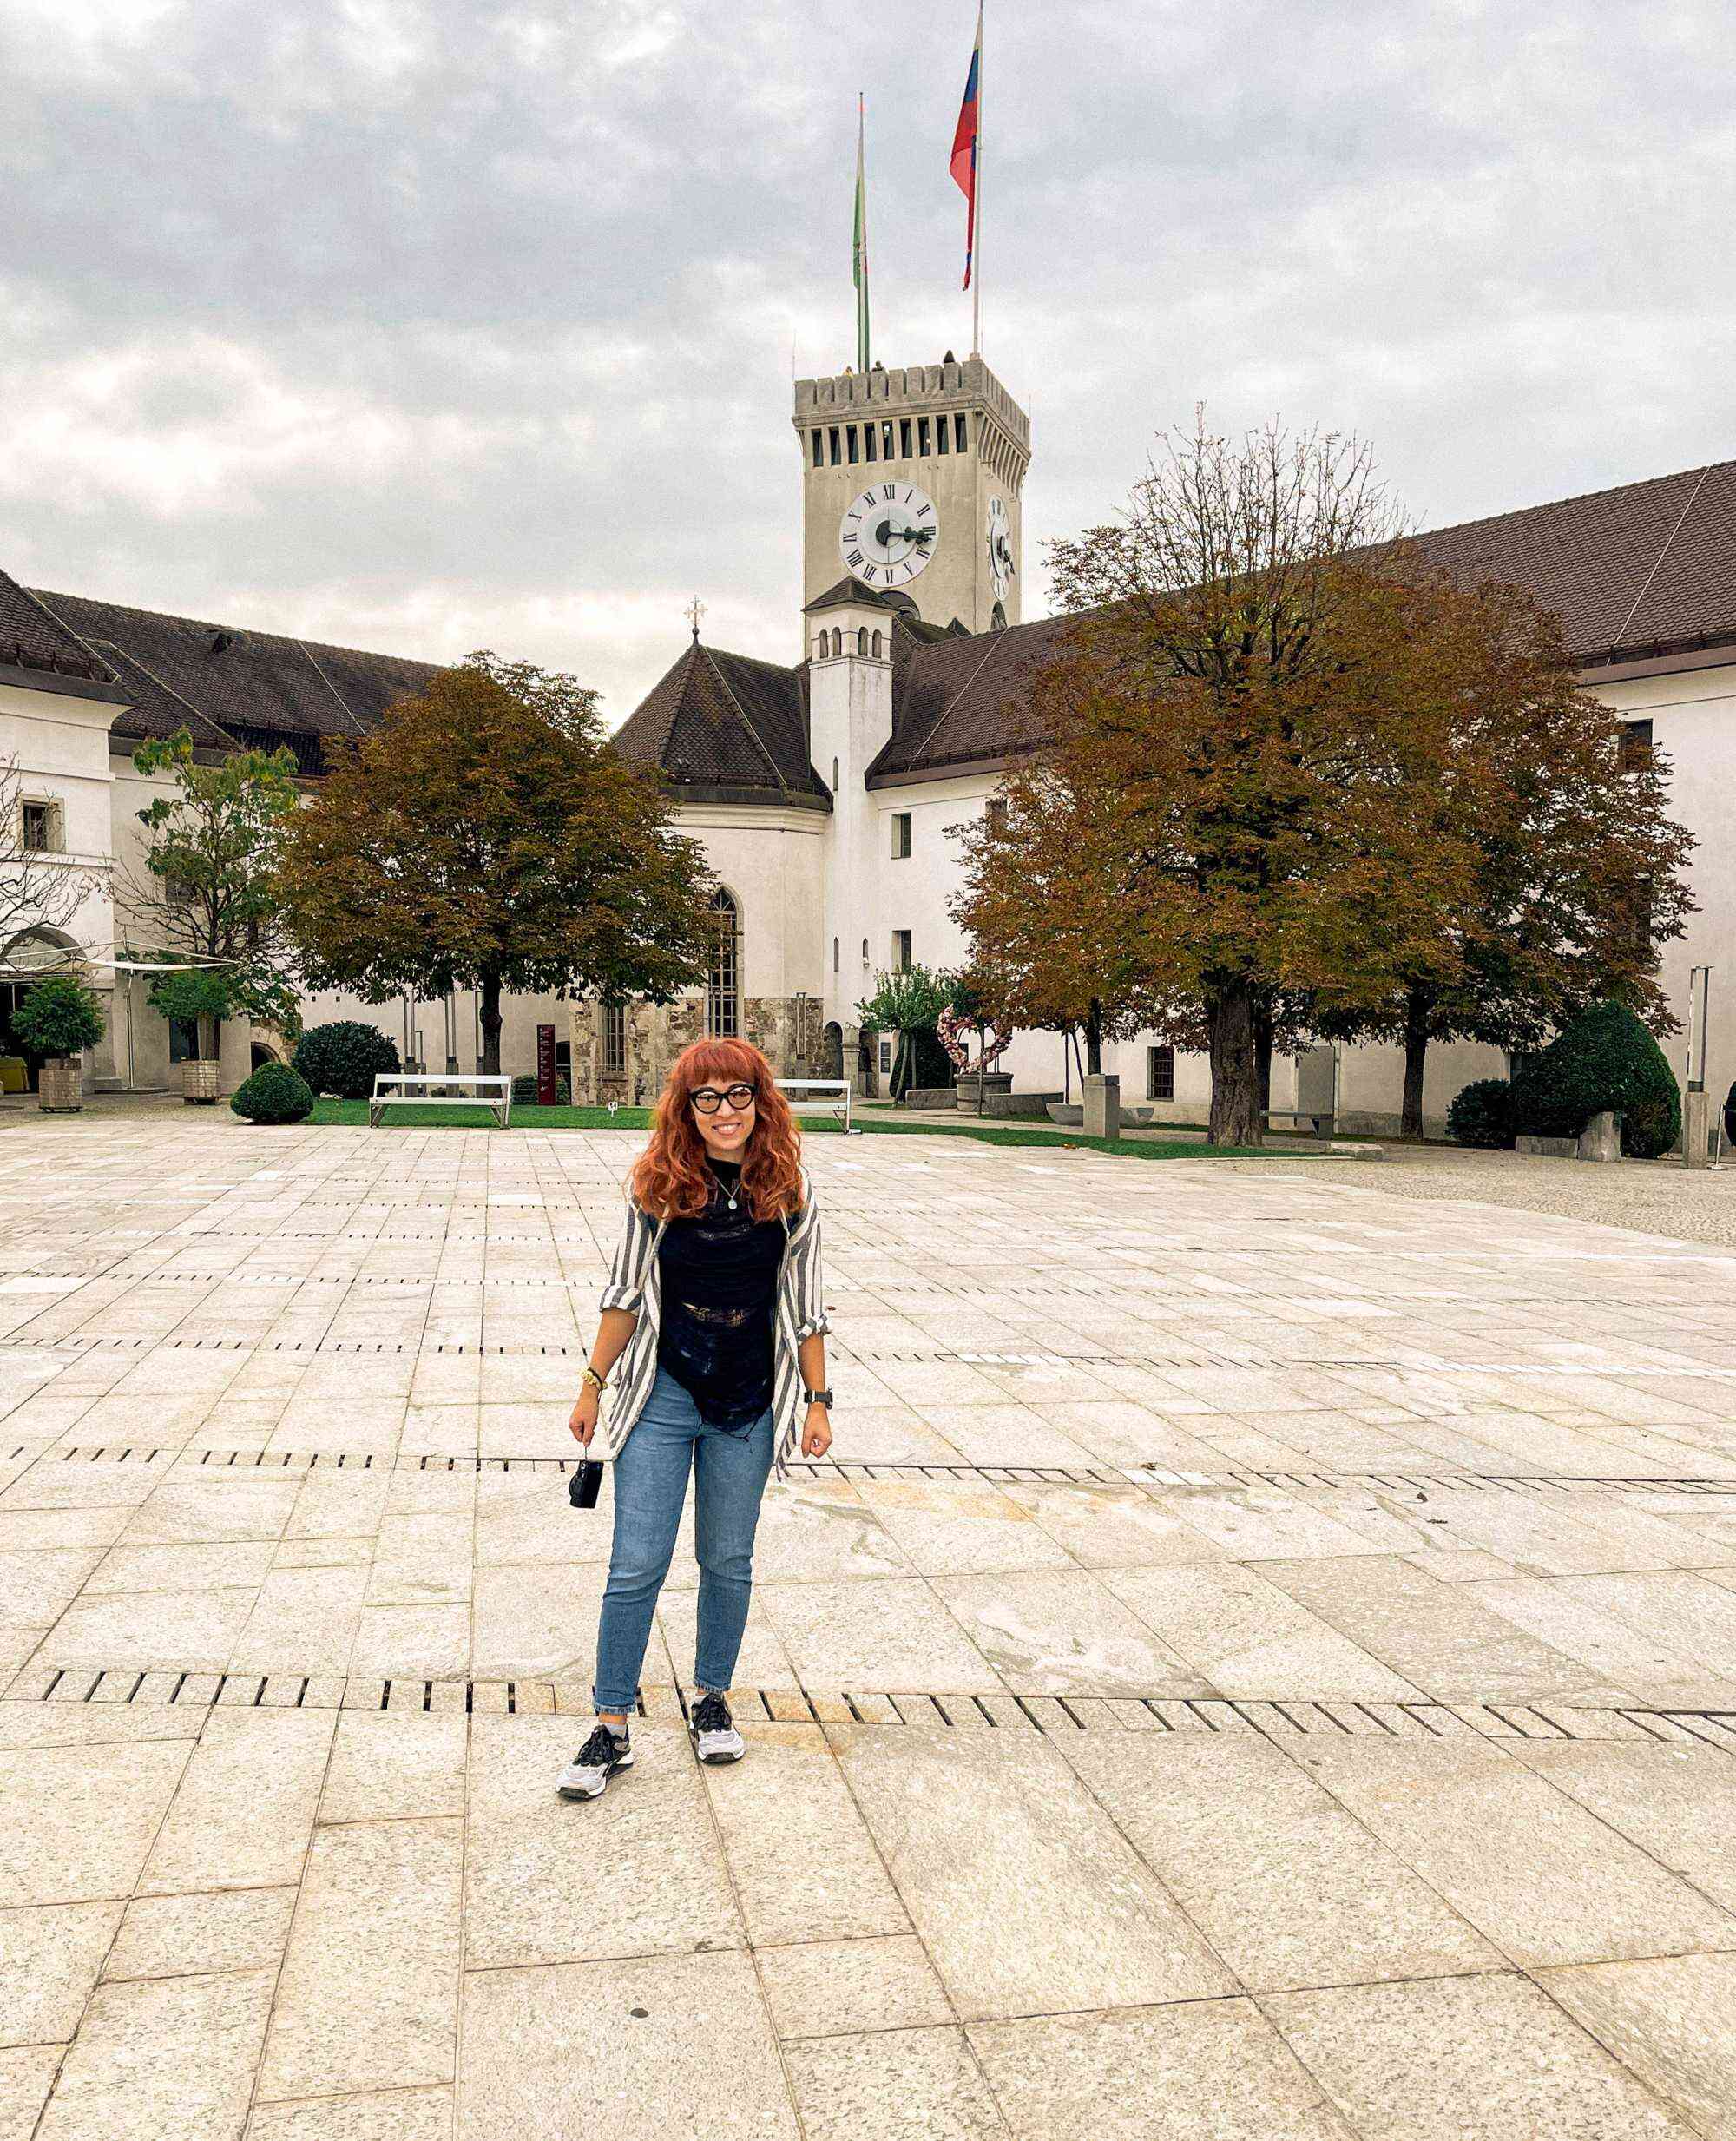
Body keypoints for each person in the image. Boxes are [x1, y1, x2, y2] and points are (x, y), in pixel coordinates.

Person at [558, 1038, 832, 1800]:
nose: (724, 1111)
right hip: (664, 1394)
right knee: (636, 1562)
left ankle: (711, 1699)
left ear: (760, 1102)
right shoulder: (658, 1187)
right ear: (686, 1107)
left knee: (728, 1560)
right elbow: (623, 1295)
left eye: (738, 1094)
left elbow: (808, 1309)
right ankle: (610, 1726)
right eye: (706, 1097)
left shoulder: (790, 1191)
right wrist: (592, 1385)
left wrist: (817, 1401)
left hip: (748, 1401)